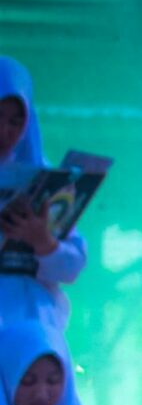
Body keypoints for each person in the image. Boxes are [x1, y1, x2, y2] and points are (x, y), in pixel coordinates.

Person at [0, 57, 87, 333]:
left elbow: (72, 266)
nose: (5, 132)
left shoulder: (44, 179)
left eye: (15, 121)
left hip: (36, 332)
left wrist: (44, 242)